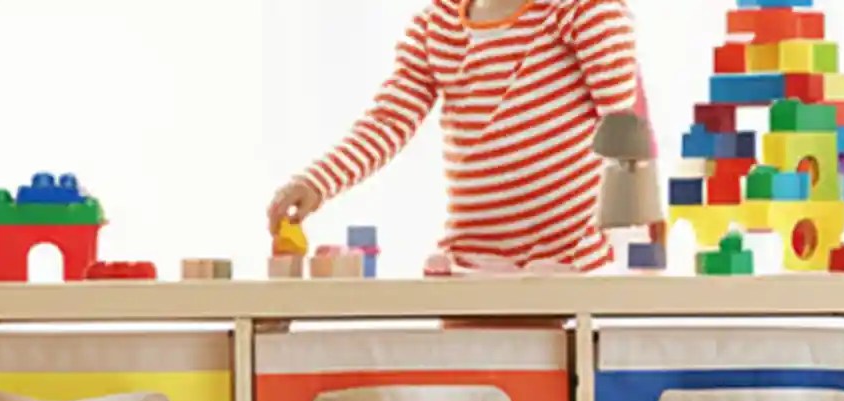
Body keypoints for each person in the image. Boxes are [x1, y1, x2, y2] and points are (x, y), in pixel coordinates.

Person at [266, 0, 649, 275]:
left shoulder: (572, 11)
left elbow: (618, 105)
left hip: (568, 260)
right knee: (470, 380)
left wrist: (601, 14)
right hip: (470, 262)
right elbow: (387, 122)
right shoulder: (437, 25)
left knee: (555, 380)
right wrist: (316, 181)